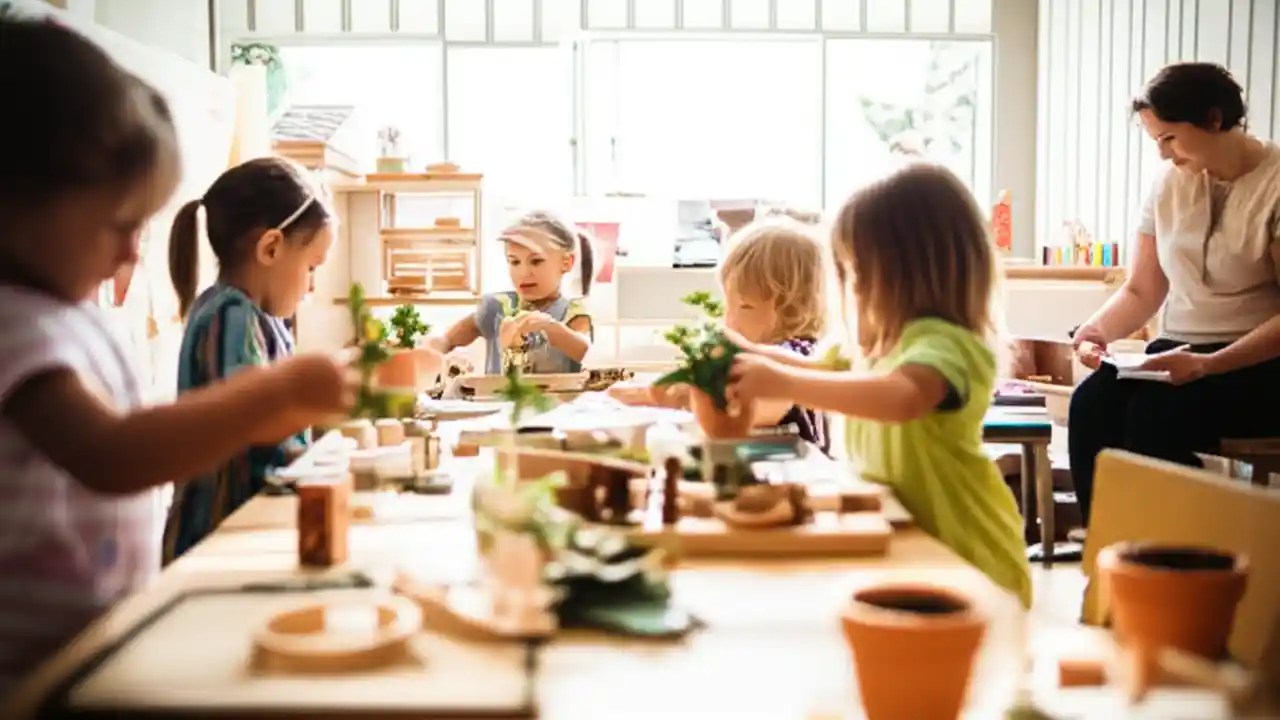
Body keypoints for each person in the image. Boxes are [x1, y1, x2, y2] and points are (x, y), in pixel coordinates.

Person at [0, 18, 356, 694]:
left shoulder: (70, 317)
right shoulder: (14, 326)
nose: (135, 251)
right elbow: (112, 454)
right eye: (119, 223)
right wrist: (280, 394)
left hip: (93, 638)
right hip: (30, 672)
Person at [726, 164, 1032, 607]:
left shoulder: (946, 343)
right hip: (906, 543)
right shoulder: (865, 346)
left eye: (859, 272)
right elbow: (812, 368)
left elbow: (903, 396)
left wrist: (782, 380)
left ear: (914, 271)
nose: (852, 287)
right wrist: (738, 349)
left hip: (967, 556)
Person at [1069, 62, 1280, 526]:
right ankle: (1106, 546)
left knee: (1154, 416)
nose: (1164, 155)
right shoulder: (1167, 185)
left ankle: (1173, 557)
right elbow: (1143, 288)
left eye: (1169, 138)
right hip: (1176, 354)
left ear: (1213, 119)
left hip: (1256, 364)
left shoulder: (1276, 182)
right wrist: (1095, 331)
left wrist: (1209, 364)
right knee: (1091, 405)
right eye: (1156, 142)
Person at [163, 157, 338, 563]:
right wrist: (345, 387)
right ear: (271, 247)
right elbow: (256, 422)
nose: (312, 285)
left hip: (248, 531)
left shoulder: (266, 320)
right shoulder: (229, 315)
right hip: (215, 541)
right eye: (312, 267)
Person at [613, 217, 832, 453]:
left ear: (794, 309)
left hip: (799, 481)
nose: (729, 319)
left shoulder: (795, 354)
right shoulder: (760, 357)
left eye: (745, 306)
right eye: (728, 303)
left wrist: (682, 397)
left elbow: (761, 400)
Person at [425, 211, 595, 374]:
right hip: (496, 402)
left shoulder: (574, 312)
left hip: (554, 403)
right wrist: (430, 353)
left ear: (566, 262)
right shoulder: (496, 307)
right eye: (514, 262)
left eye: (536, 261)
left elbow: (584, 350)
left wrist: (549, 327)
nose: (523, 273)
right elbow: (447, 339)